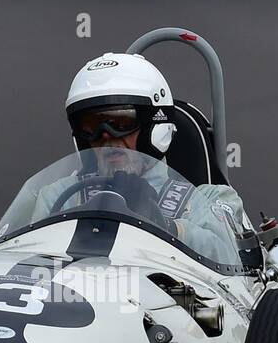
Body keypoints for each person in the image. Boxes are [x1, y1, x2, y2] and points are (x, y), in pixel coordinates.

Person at [56, 53, 248, 263]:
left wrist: (163, 225)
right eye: (91, 127)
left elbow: (232, 261)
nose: (106, 137)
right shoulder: (59, 195)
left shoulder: (210, 199)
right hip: (81, 290)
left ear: (155, 127)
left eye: (120, 123)